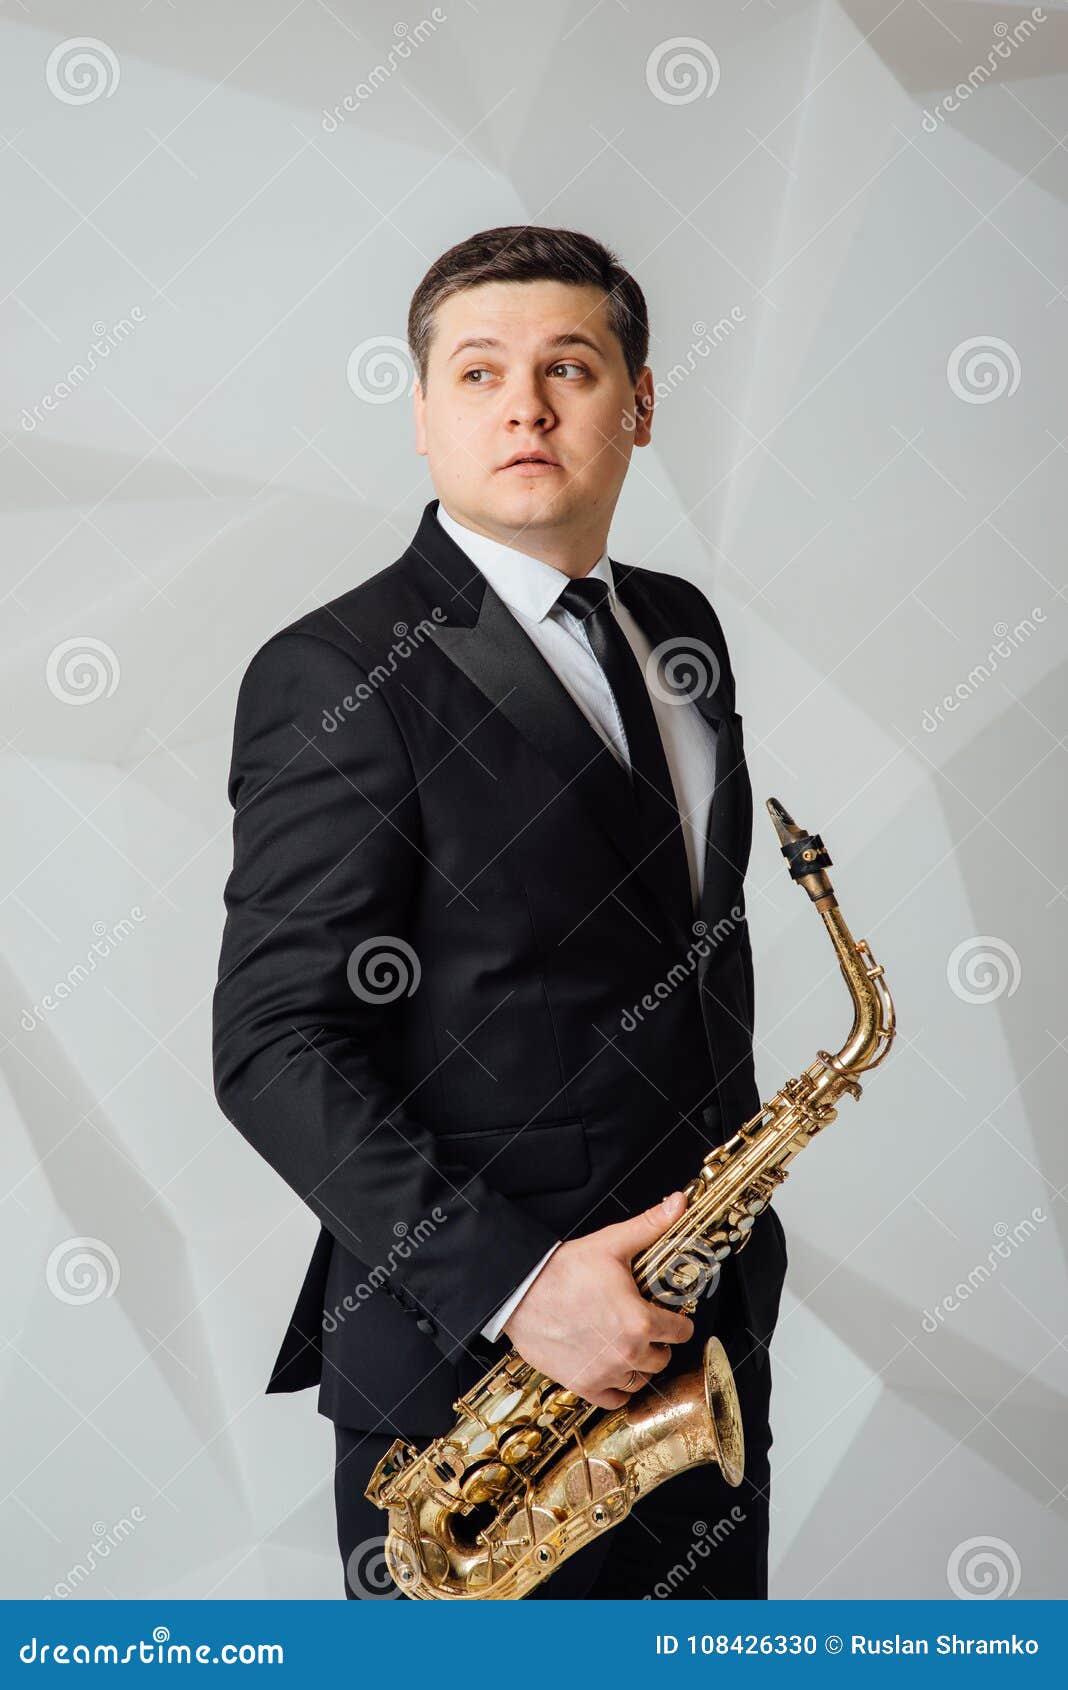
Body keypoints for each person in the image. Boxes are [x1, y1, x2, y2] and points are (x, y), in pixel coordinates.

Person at [212, 225, 788, 1600]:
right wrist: (525, 1286)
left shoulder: (679, 629)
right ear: (422, 417)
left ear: (640, 403)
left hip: (697, 1362)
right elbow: (275, 1048)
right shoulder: (336, 670)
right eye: (475, 373)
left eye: (568, 366)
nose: (523, 405)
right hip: (473, 1400)